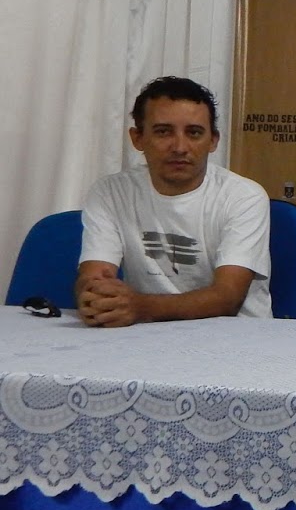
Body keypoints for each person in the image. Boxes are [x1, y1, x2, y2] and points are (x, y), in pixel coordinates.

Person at [76, 76, 271, 326]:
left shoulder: (244, 197)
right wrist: (95, 297)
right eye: (163, 132)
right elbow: (93, 276)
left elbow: (227, 298)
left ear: (213, 141)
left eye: (194, 133)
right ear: (137, 138)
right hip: (142, 335)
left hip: (234, 337)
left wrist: (140, 307)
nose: (179, 147)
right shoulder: (109, 192)